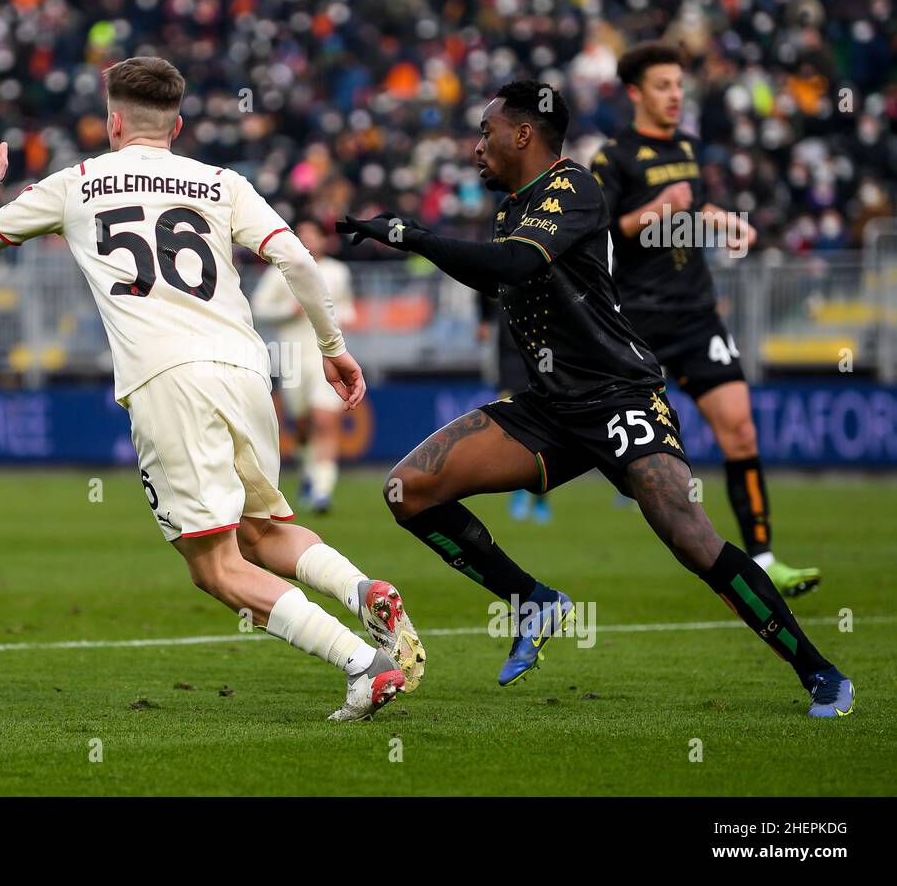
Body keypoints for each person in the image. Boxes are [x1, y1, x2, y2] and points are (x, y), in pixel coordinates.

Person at [337, 79, 853, 717]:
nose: (476, 148)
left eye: (485, 132)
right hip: (549, 406)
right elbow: (491, 267)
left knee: (690, 537)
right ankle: (533, 601)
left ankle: (819, 671)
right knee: (406, 490)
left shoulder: (573, 186)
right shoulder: (512, 209)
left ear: (522, 133)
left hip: (618, 394)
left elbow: (516, 265)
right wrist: (404, 237)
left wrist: (410, 236)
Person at [0, 57, 424, 720]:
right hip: (244, 369)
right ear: (177, 124)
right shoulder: (220, 183)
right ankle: (363, 589)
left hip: (166, 377)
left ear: (114, 121)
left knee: (215, 567)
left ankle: (362, 665)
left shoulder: (78, 183)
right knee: (262, 531)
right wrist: (332, 349)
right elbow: (293, 257)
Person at [593, 42, 820, 598]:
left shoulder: (690, 147)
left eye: (679, 85)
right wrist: (656, 209)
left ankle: (763, 559)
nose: (675, 95)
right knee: (638, 454)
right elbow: (601, 232)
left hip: (697, 314)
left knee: (740, 429)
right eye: (664, 86)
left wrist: (724, 222)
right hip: (638, 319)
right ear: (635, 93)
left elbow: (691, 209)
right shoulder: (613, 158)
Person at [251, 219, 356, 513]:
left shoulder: (337, 272)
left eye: (313, 236)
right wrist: (288, 310)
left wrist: (342, 318)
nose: (309, 242)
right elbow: (258, 306)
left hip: (325, 356)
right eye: (303, 236)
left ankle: (322, 492)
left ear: (324, 240)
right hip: (292, 356)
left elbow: (347, 307)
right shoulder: (279, 272)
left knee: (325, 420)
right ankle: (310, 475)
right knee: (301, 424)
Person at [477, 297, 551, 524]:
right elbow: (481, 286)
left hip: (540, 352)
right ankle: (518, 491)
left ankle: (541, 498)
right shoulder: (504, 274)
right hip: (510, 354)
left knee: (545, 430)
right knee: (511, 433)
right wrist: (484, 320)